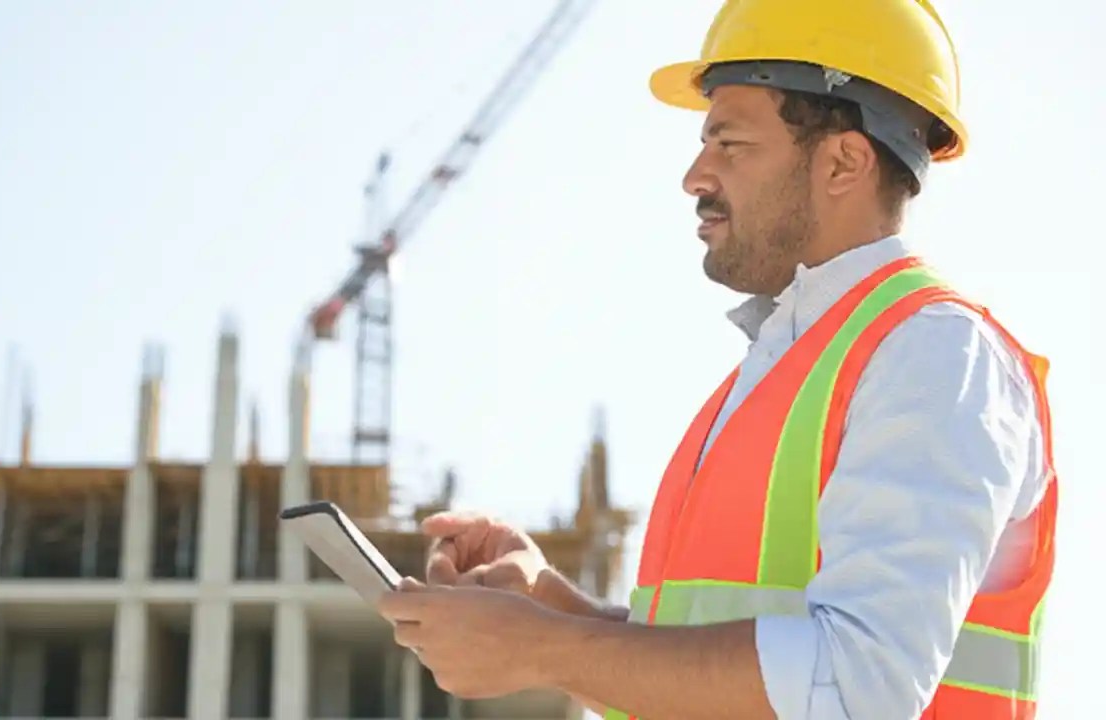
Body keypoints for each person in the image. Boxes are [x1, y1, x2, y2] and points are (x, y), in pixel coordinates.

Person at [377, 0, 1060, 717]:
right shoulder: (787, 367)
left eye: (729, 144)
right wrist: (549, 605)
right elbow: (715, 672)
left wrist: (542, 646)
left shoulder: (936, 354)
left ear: (843, 162)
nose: (696, 177)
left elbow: (853, 684)